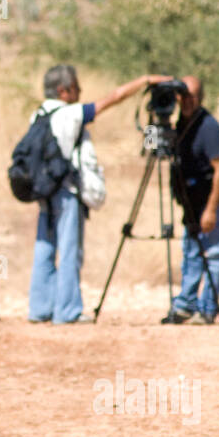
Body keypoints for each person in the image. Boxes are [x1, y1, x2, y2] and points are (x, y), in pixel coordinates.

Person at [28, 64, 160, 324]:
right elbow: (114, 98)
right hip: (67, 191)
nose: (81, 92)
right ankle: (67, 311)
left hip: (45, 191)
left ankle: (40, 308)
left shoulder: (39, 115)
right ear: (63, 90)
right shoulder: (70, 114)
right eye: (77, 87)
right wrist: (144, 80)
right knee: (69, 250)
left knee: (44, 247)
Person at [162, 75, 219, 324]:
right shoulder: (179, 124)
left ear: (201, 97)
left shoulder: (208, 126)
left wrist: (212, 209)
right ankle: (186, 305)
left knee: (213, 255)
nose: (186, 100)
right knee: (191, 252)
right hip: (192, 203)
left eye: (192, 95)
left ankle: (206, 309)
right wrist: (155, 121)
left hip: (213, 200)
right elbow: (153, 150)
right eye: (182, 95)